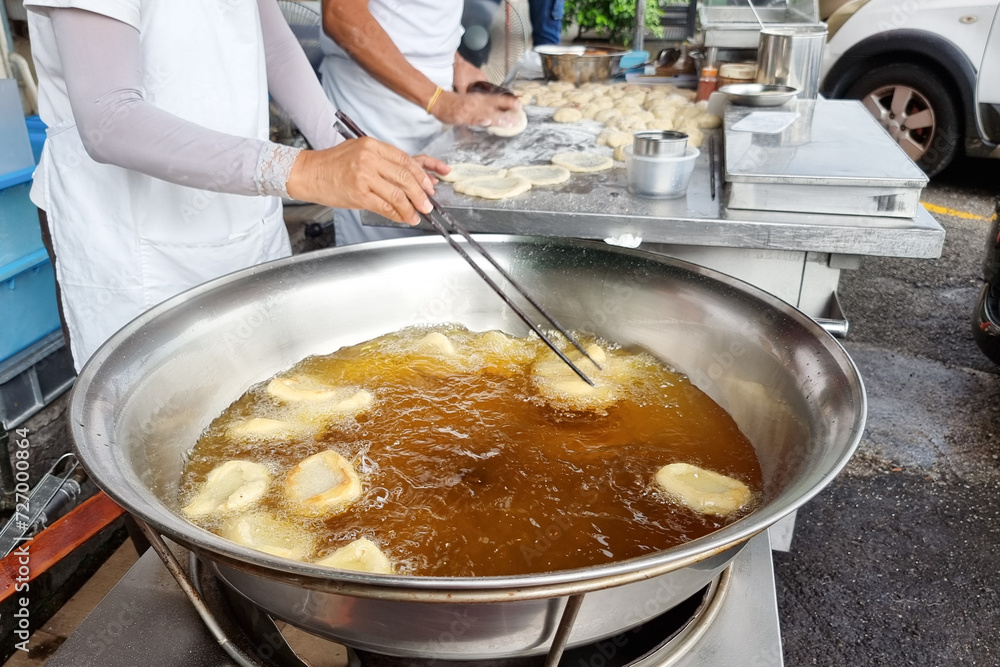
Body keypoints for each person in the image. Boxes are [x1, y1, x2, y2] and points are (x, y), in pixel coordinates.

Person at [23, 0, 447, 372]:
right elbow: (109, 120)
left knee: (270, 400)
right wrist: (306, 171)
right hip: (137, 242)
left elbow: (276, 48)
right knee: (162, 429)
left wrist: (348, 150)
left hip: (242, 215)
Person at [319, 0, 521, 245]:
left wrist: (455, 62)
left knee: (424, 226)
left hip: (430, 100)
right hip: (373, 102)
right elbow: (342, 15)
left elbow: (416, 15)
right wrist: (438, 101)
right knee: (382, 242)